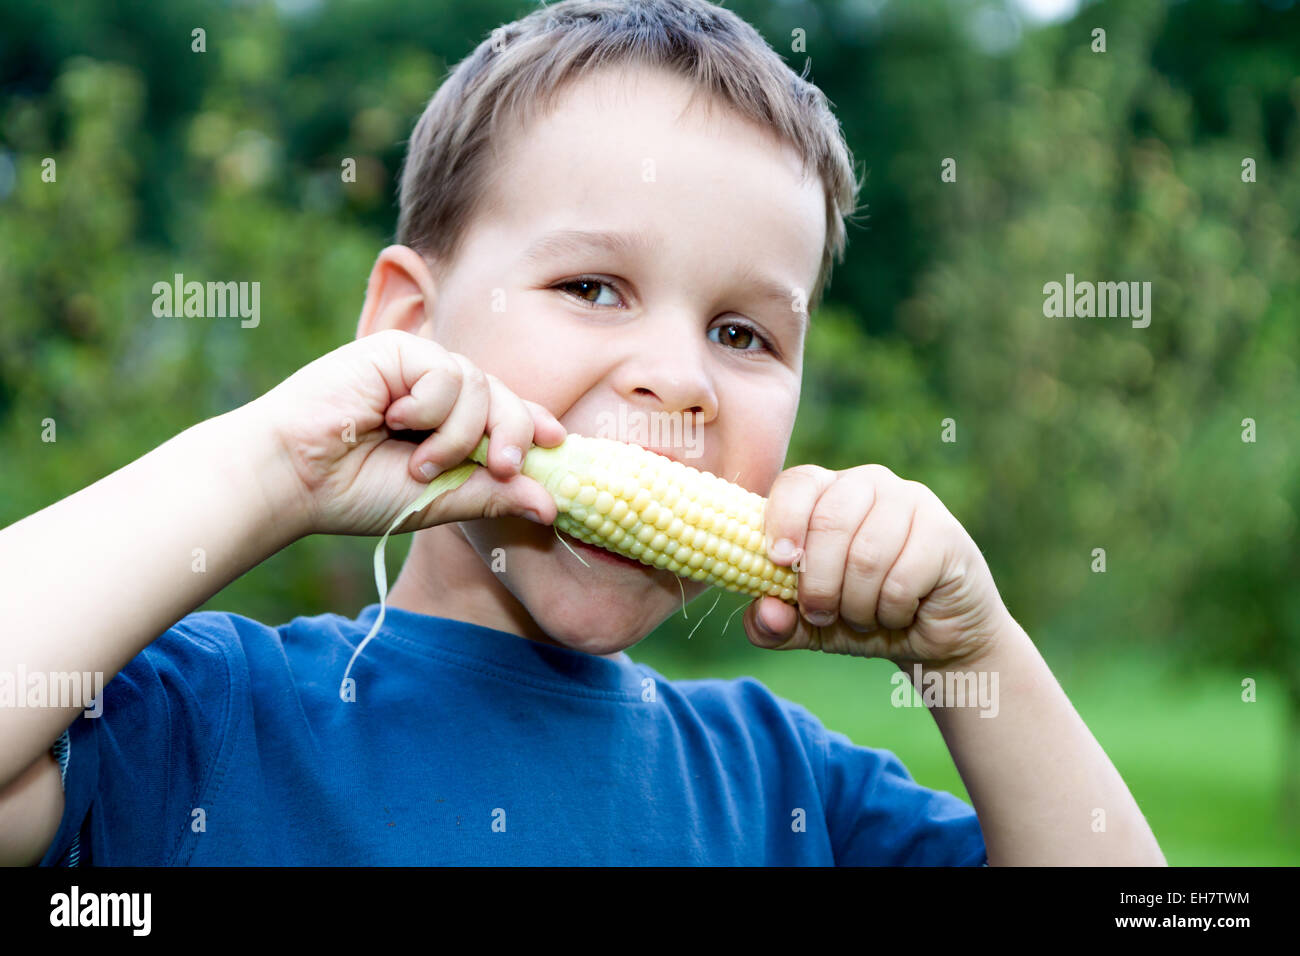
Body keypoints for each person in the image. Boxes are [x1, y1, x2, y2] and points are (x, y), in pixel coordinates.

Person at [0, 0, 1164, 865]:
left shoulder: (787, 790)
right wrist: (268, 464)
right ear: (409, 325)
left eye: (744, 334)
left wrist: (974, 657)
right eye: (595, 286)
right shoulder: (204, 724)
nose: (678, 377)